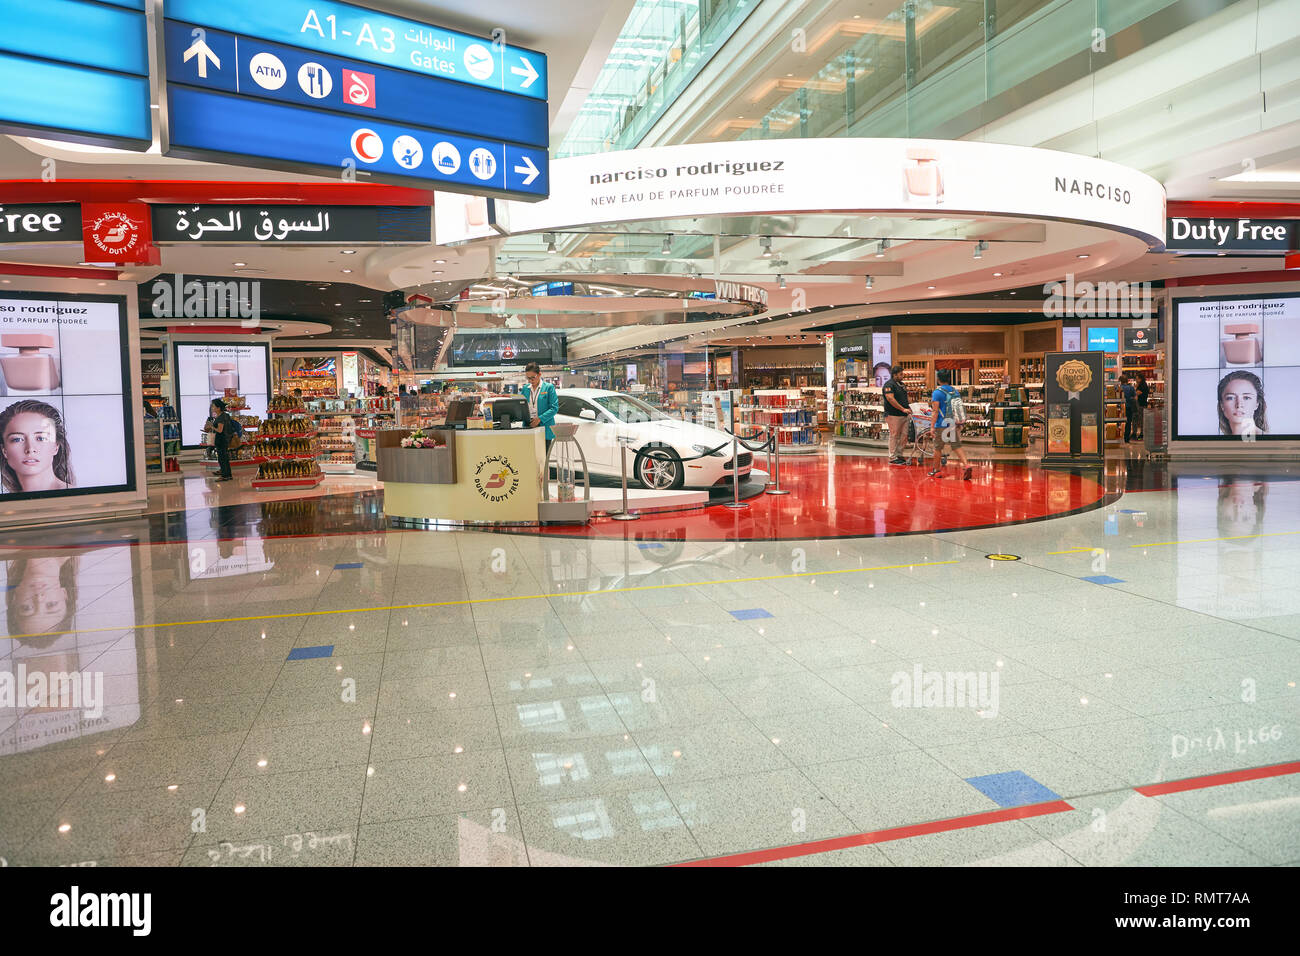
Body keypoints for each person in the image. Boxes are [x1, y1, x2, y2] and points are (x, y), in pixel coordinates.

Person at [0, 399, 75, 494]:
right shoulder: (7, 505)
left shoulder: (79, 499)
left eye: (41, 438)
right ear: (4, 451)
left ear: (56, 446)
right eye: (18, 439)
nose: (30, 449)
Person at [930, 369, 972, 480]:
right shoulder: (955, 391)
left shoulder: (937, 393)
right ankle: (966, 464)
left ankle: (937, 471)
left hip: (942, 424)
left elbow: (935, 411)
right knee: (956, 445)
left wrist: (932, 426)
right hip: (952, 423)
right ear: (949, 379)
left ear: (938, 379)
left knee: (938, 447)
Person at [1218, 370, 1268, 437]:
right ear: (1222, 405)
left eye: (1246, 398)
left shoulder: (1269, 441)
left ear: (1257, 404)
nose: (1239, 405)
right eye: (1230, 398)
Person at [521, 362, 558, 452]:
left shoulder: (548, 388)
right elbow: (521, 405)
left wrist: (539, 419)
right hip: (528, 427)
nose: (530, 381)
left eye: (533, 377)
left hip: (544, 428)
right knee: (530, 457)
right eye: (528, 378)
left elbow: (554, 408)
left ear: (539, 374)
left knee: (543, 458)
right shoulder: (525, 388)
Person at [883, 365, 911, 465]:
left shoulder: (902, 385)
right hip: (893, 414)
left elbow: (905, 397)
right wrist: (902, 409)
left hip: (904, 415)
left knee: (904, 435)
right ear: (894, 375)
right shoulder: (889, 385)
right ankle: (892, 456)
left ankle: (899, 454)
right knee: (894, 435)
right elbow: (890, 399)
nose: (902, 376)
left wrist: (910, 407)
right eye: (900, 374)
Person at [209, 398, 234, 481]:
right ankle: (227, 474)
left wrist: (211, 426)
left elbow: (220, 430)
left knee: (222, 458)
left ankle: (225, 475)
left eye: (213, 406)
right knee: (225, 458)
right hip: (226, 439)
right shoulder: (225, 415)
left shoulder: (220, 418)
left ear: (218, 408)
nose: (212, 408)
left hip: (221, 440)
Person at [1121, 373, 1139, 442]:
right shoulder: (1131, 387)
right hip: (1129, 407)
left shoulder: (1119, 387)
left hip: (1121, 407)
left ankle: (1118, 435)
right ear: (1127, 381)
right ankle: (1126, 438)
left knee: (1119, 422)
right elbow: (1135, 397)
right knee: (1128, 422)